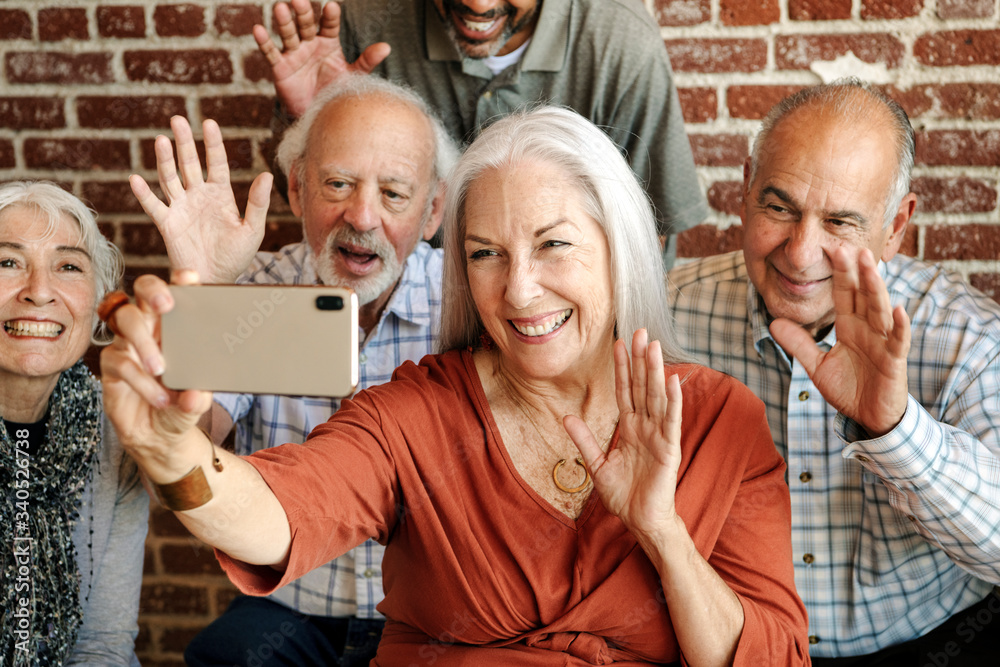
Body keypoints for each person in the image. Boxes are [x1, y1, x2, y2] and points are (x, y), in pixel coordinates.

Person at [101, 107, 809, 665]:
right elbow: (278, 512)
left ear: (618, 247)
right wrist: (173, 453)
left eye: (553, 244)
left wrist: (663, 534)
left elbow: (768, 655)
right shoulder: (421, 408)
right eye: (486, 254)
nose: (520, 290)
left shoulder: (719, 417)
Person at [668, 78, 1000, 665]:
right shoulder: (666, 313)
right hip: (734, 648)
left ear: (895, 226)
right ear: (746, 189)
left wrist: (897, 428)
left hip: (929, 644)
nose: (800, 253)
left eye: (840, 223)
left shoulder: (967, 340)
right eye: (779, 208)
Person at [129, 75, 458, 665]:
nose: (362, 215)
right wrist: (203, 299)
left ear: (433, 210)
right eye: (338, 184)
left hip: (429, 615)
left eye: (393, 194)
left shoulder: (468, 302)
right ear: (298, 189)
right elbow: (182, 459)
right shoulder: (249, 291)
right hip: (289, 604)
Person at [253, 0, 708, 267]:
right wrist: (319, 119)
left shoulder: (622, 42)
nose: (477, 5)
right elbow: (307, 192)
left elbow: (650, 237)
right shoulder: (366, 20)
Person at [0, 181, 148, 666]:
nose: (40, 292)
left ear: (97, 304)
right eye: (7, 262)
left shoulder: (113, 433)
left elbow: (103, 644)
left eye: (68, 267)